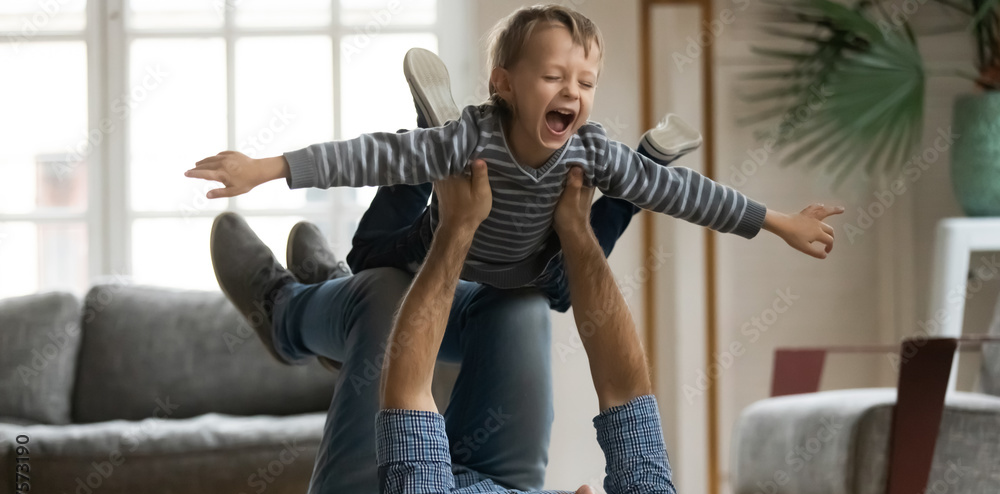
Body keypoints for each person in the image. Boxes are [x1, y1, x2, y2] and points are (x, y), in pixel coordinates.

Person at [187, 4, 835, 309]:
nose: (572, 94)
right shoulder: (476, 136)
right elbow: (369, 157)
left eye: (585, 83)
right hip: (444, 247)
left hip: (530, 269)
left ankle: (647, 162)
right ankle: (428, 136)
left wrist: (780, 222)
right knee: (377, 244)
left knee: (582, 261)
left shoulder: (587, 148)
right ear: (503, 84)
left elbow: (693, 196)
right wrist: (267, 168)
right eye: (554, 77)